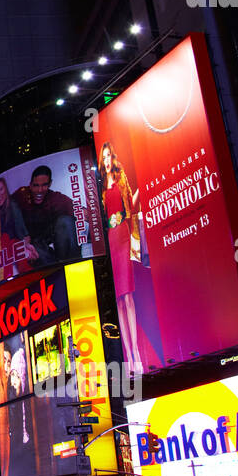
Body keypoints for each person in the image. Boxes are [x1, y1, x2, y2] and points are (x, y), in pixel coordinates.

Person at [100, 142, 149, 374]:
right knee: (119, 298)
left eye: (109, 156)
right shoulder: (101, 187)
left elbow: (130, 207)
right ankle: (128, 357)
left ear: (113, 158)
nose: (107, 160)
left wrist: (127, 227)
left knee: (128, 296)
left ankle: (136, 354)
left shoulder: (121, 179)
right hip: (110, 240)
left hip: (122, 236)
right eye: (104, 157)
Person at [12, 165, 82, 265]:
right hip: (31, 245)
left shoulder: (55, 198)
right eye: (36, 185)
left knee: (66, 221)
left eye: (44, 185)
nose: (40, 190)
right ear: (30, 185)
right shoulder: (21, 195)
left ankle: (74, 264)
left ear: (50, 184)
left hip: (55, 243)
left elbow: (80, 210)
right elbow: (5, 205)